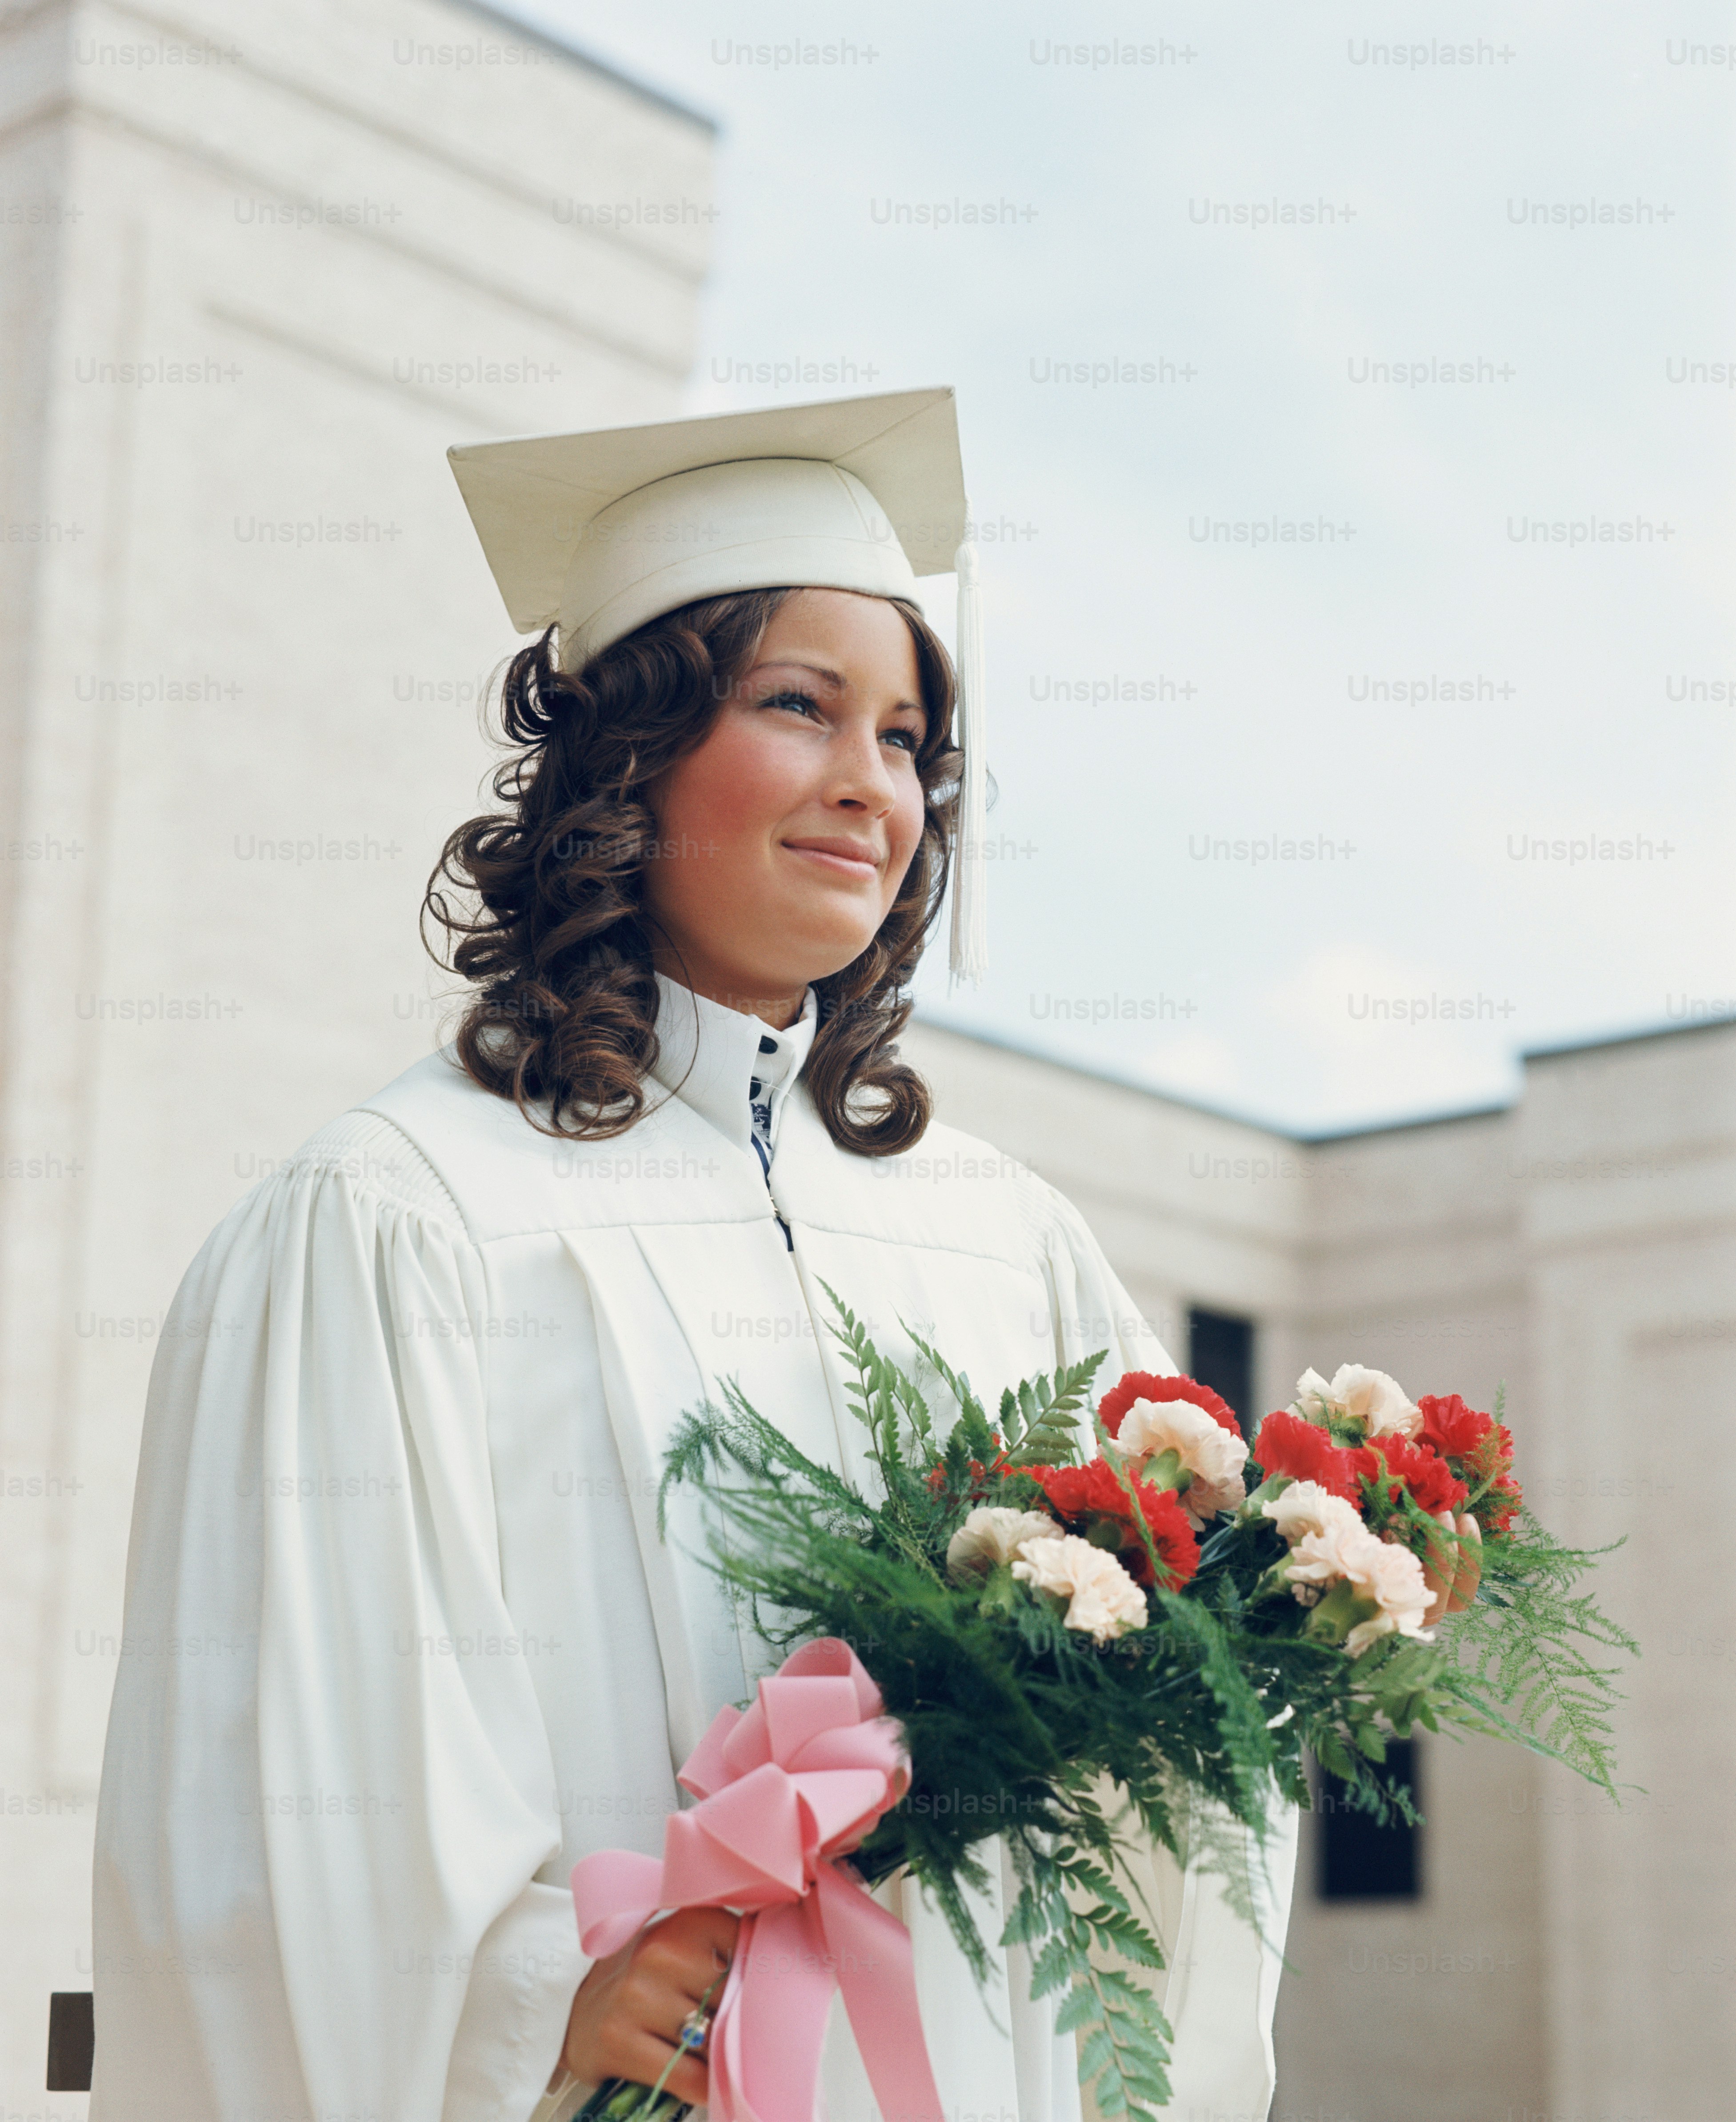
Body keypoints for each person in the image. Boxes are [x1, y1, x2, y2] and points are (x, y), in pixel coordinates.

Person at [90, 388, 1298, 2122]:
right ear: (626, 756)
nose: (865, 789)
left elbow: (1155, 1729)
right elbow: (284, 1771)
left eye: (903, 740)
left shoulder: (1003, 1237)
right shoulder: (399, 1215)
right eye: (798, 707)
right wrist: (533, 1996)